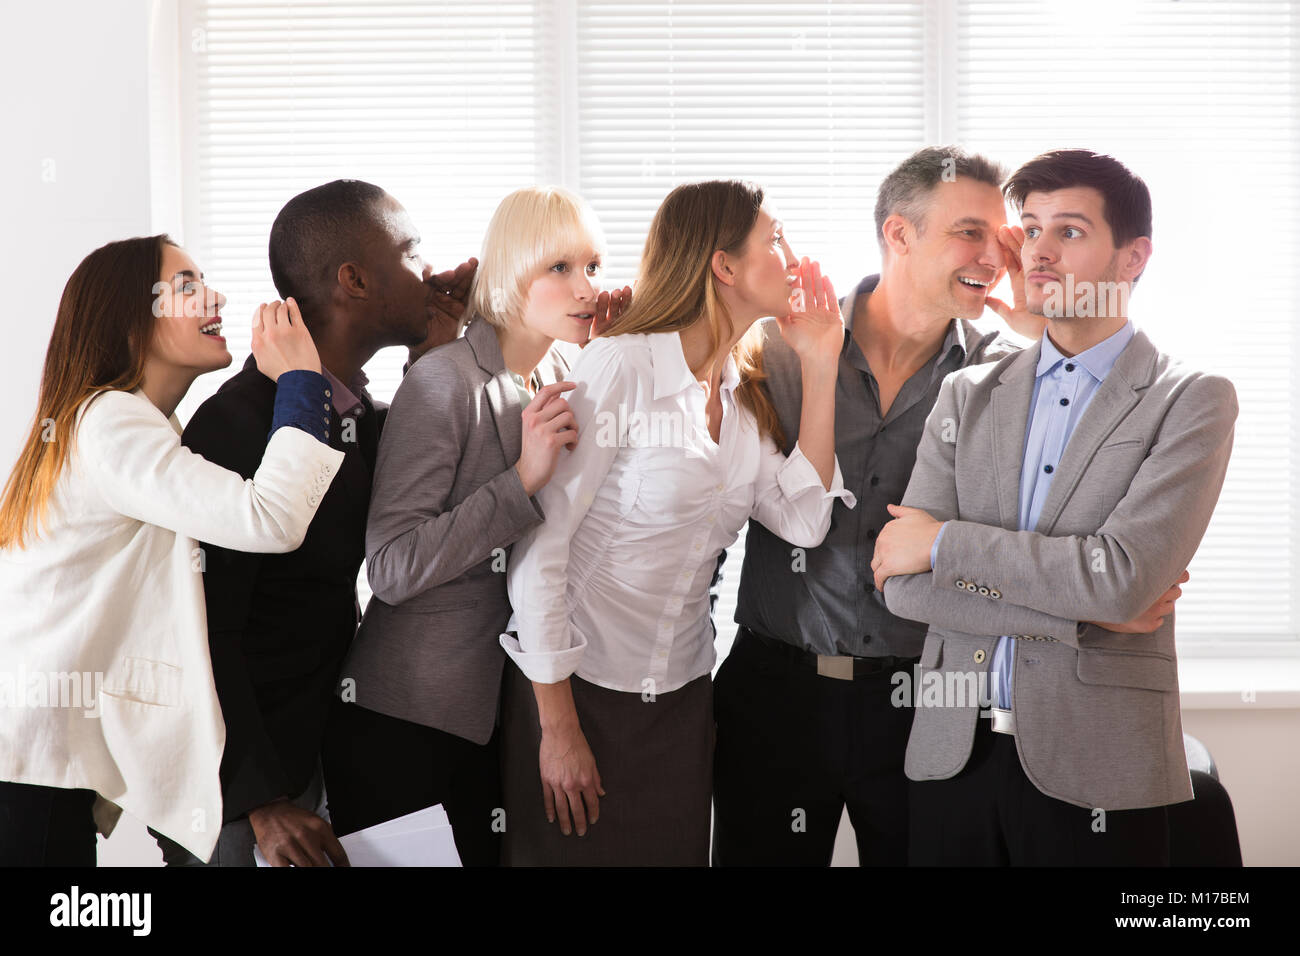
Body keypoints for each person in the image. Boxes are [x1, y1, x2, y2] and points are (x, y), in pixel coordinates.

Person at [875, 149, 1236, 865]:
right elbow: (901, 584)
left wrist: (945, 543)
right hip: (953, 757)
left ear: (1132, 258)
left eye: (1068, 232)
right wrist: (1081, 609)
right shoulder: (966, 395)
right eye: (1031, 228)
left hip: (1099, 768)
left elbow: (1121, 579)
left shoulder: (1190, 400)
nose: (1038, 250)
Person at [500, 179, 854, 866]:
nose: (792, 255)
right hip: (577, 694)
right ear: (723, 265)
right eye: (775, 240)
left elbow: (806, 520)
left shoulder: (740, 398)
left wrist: (820, 361)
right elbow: (542, 547)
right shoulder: (622, 364)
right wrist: (559, 726)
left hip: (682, 705)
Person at [713, 146, 1046, 866]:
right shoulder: (777, 347)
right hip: (774, 697)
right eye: (970, 232)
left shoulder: (1009, 374)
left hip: (923, 701)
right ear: (899, 233)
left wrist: (1045, 321)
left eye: (1004, 238)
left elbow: (1124, 407)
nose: (993, 257)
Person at [147, 180, 476, 867]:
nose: (431, 268)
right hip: (239, 791)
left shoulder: (358, 414)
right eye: (412, 251)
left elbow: (413, 487)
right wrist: (260, 801)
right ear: (355, 279)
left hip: (313, 755)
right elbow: (199, 631)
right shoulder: (237, 425)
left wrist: (437, 349)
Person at [0, 234, 343, 865]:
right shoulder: (111, 421)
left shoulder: (112, 422)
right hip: (32, 770)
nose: (213, 296)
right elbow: (269, 519)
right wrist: (302, 379)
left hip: (34, 760)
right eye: (185, 286)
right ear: (129, 320)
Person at [321, 185, 630, 866]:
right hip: (402, 726)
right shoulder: (443, 382)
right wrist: (521, 481)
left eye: (594, 267)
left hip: (490, 724)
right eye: (560, 268)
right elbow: (393, 568)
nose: (586, 287)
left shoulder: (559, 372)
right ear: (513, 271)